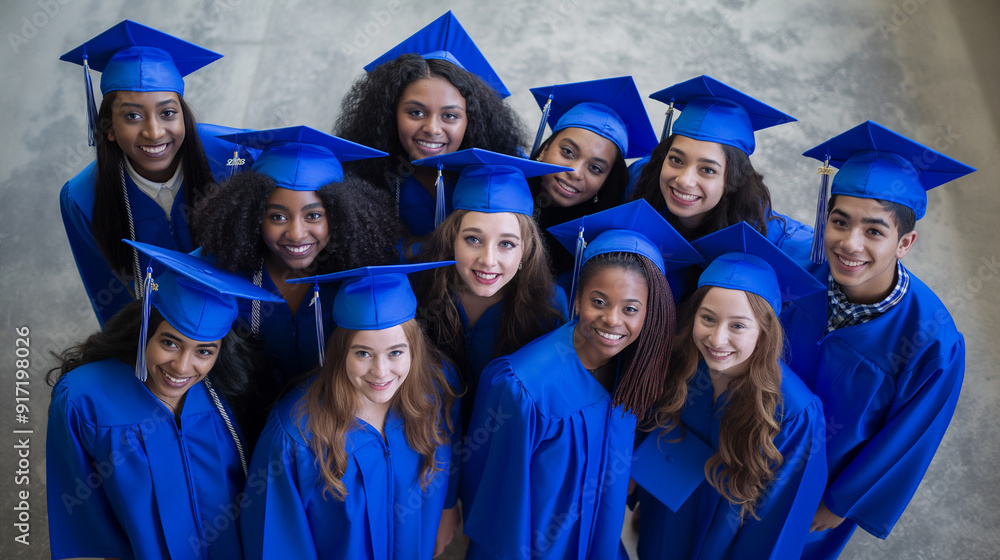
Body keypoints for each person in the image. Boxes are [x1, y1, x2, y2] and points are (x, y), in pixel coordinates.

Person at [460, 200, 701, 559]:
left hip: (600, 536)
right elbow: (496, 499)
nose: (612, 320)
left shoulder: (634, 366)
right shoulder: (522, 386)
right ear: (576, 300)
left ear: (649, 315)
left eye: (631, 309)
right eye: (599, 302)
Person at [779, 121, 975, 559]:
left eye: (874, 231)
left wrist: (841, 502)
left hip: (819, 486)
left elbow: (909, 436)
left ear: (905, 242)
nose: (850, 244)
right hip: (740, 449)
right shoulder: (790, 267)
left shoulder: (932, 342)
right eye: (839, 222)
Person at [46, 240, 284, 560]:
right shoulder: (83, 400)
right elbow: (83, 524)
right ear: (146, 327)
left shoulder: (232, 393)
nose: (183, 367)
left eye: (204, 351)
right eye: (170, 343)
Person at [631, 222, 828, 559]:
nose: (717, 339)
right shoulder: (681, 366)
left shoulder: (795, 414)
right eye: (707, 319)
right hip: (663, 525)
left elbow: (778, 525)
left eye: (738, 325)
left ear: (764, 332)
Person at [240, 263, 461, 559]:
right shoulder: (295, 433)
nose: (380, 372)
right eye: (363, 353)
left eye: (395, 352)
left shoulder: (436, 389)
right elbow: (279, 542)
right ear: (340, 350)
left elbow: (453, 453)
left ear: (414, 348)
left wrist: (447, 509)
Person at [59, 20, 254, 326]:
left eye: (167, 113)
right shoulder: (82, 197)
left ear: (184, 117)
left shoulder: (237, 155)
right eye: (132, 116)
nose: (154, 132)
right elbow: (109, 296)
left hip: (252, 328)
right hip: (165, 341)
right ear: (108, 128)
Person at [193, 126, 404, 384]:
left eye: (313, 215)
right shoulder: (217, 272)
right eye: (277, 216)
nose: (296, 234)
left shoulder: (365, 276)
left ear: (340, 215)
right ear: (251, 216)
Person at [411, 149, 571, 429]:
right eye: (473, 239)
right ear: (451, 240)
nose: (487, 260)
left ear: (526, 250)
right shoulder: (416, 287)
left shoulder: (550, 306)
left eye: (506, 244)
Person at [333, 11, 526, 237]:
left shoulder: (505, 169)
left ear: (471, 120)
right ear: (389, 114)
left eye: (450, 116)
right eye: (416, 112)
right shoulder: (364, 175)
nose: (432, 129)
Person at [628, 75, 810, 252]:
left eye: (707, 169)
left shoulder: (766, 235)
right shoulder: (640, 180)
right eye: (676, 160)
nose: (684, 180)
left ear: (734, 178)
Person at [526, 76, 658, 289]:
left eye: (595, 168)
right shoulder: (504, 187)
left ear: (605, 182)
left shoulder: (596, 242)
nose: (576, 173)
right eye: (568, 152)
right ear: (544, 150)